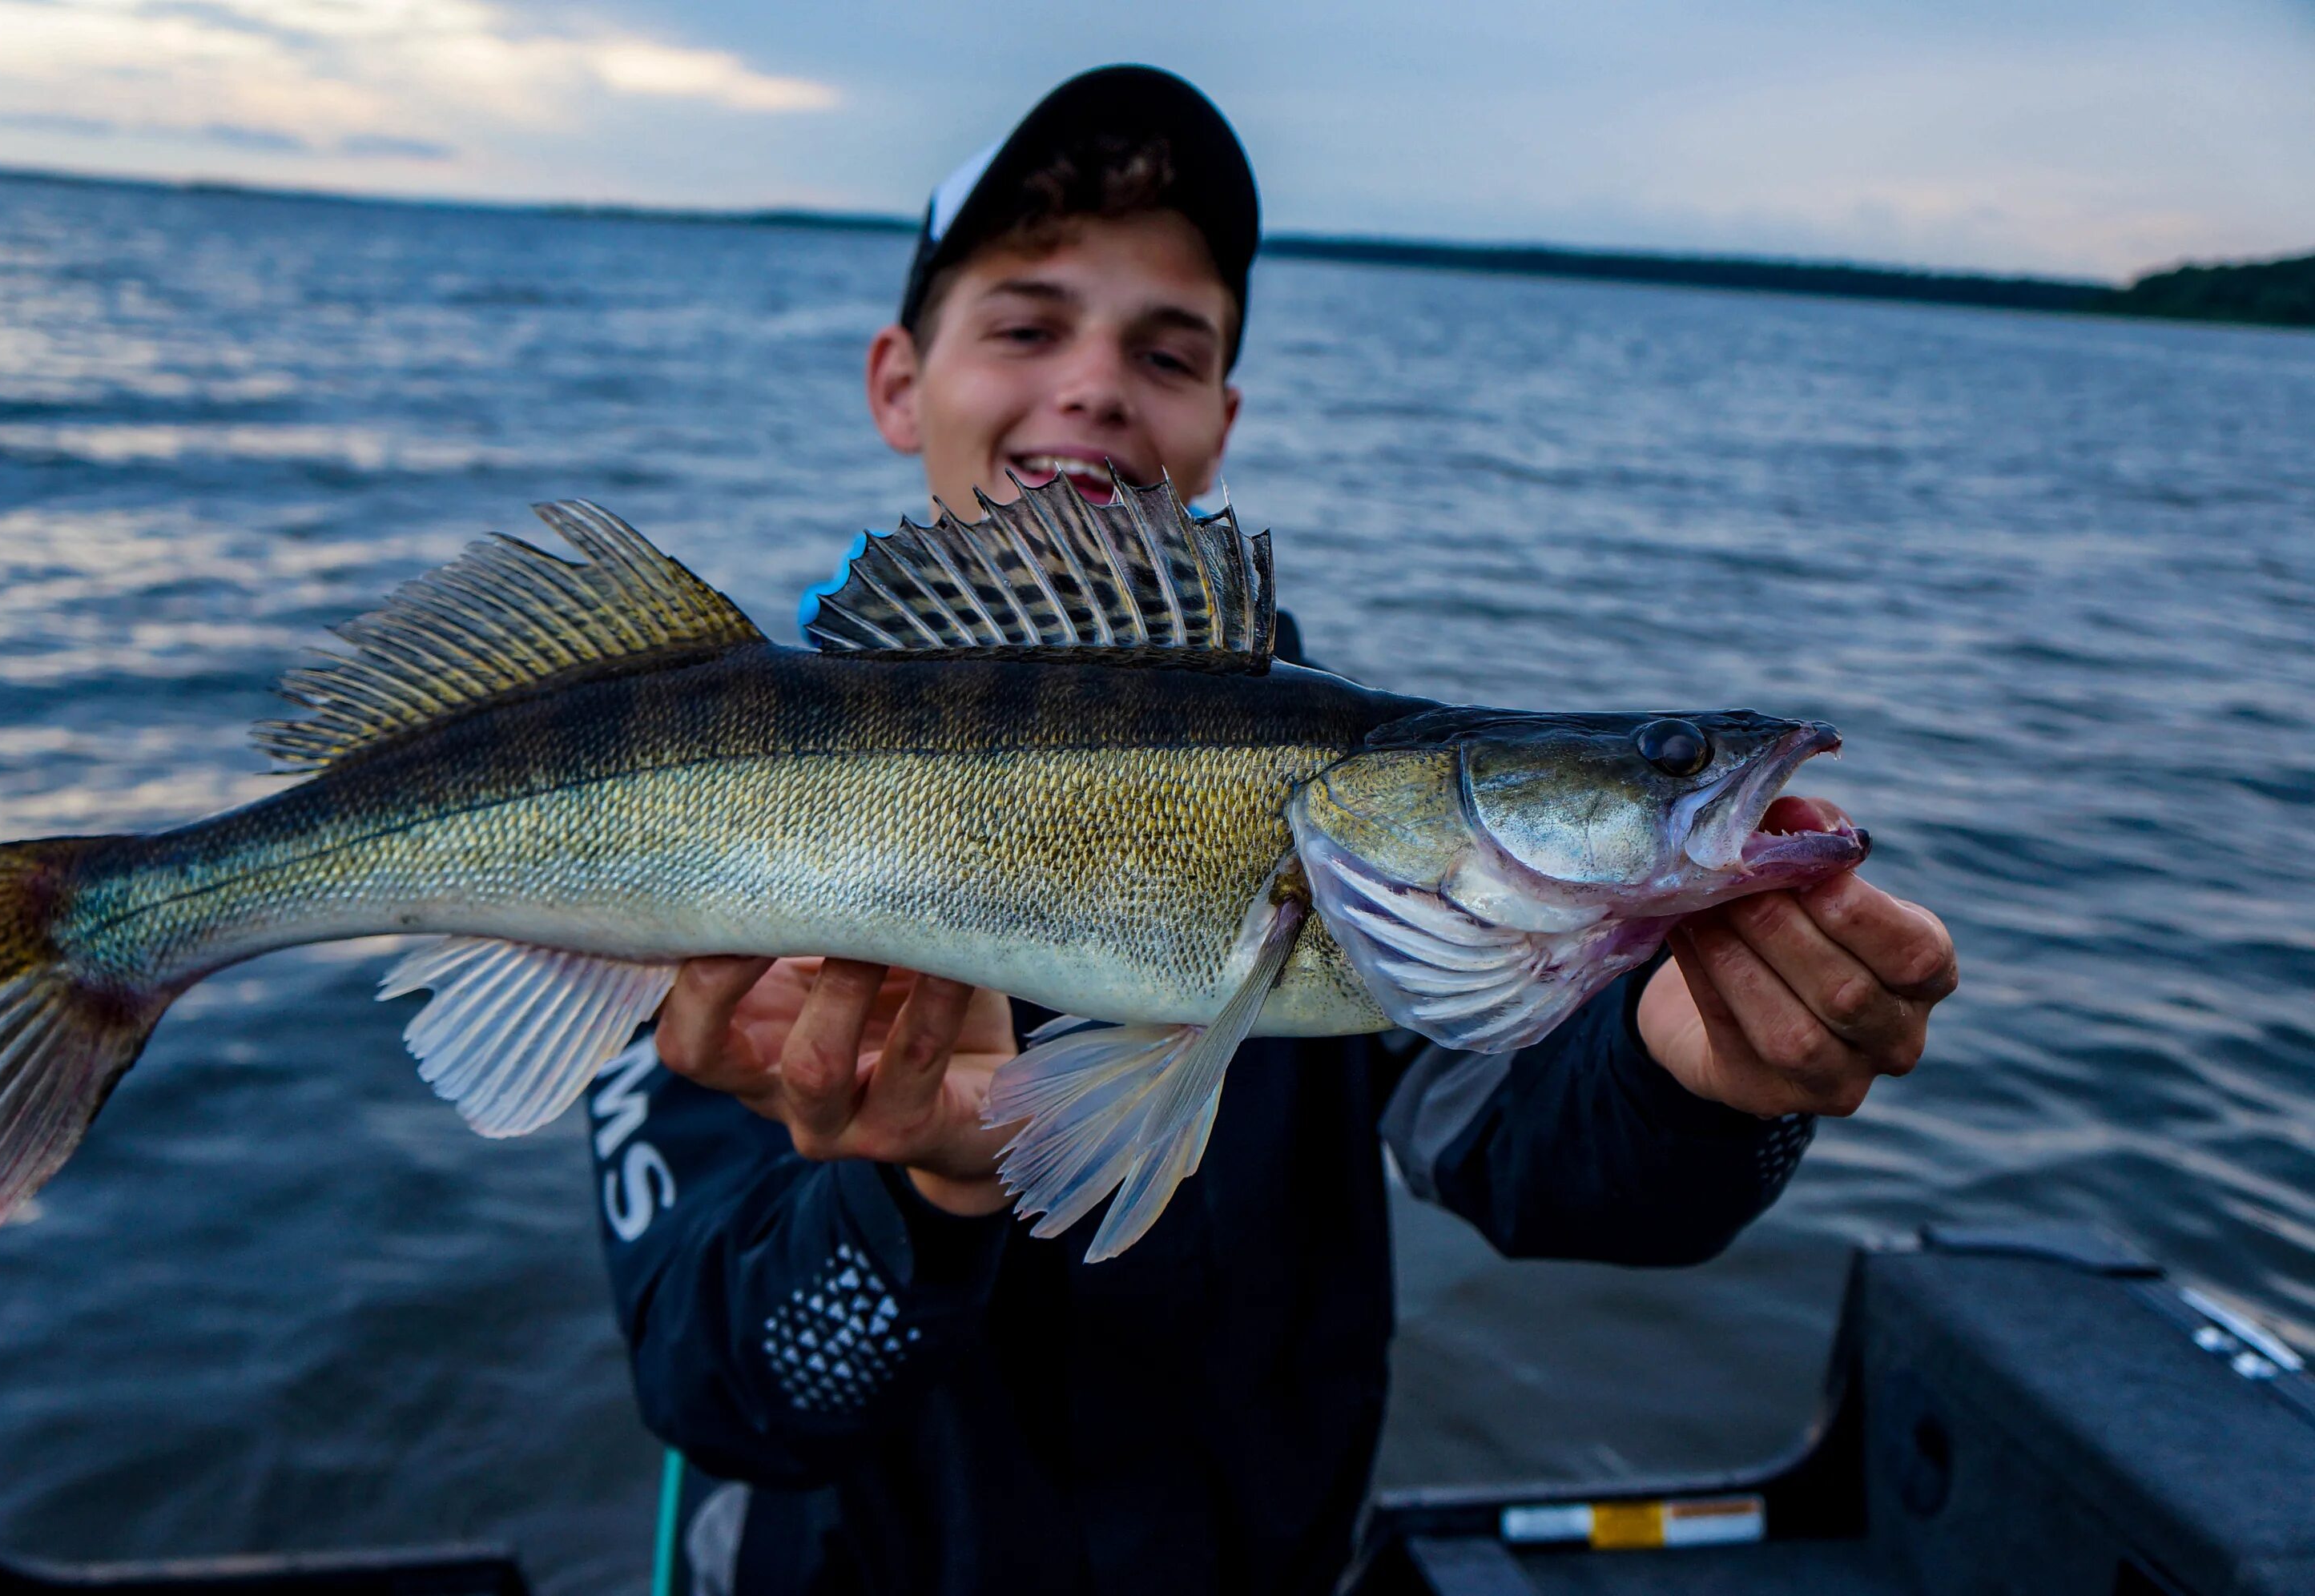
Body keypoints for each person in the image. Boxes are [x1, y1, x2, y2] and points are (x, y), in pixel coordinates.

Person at [586, 65, 1958, 1596]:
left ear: (1222, 420)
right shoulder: (682, 788)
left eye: (1167, 350)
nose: (1096, 383)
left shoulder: (1375, 852)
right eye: (1029, 323)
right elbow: (723, 1387)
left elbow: (1527, 1148)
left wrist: (1700, 1073)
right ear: (900, 380)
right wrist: (924, 1188)